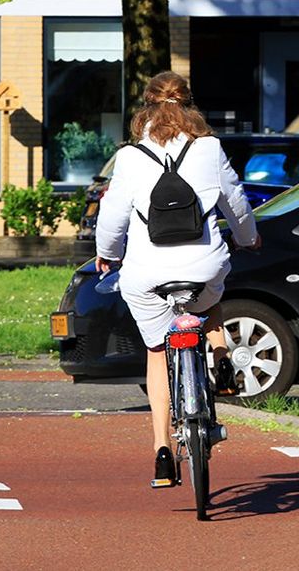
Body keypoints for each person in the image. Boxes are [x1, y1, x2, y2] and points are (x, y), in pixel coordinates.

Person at [94, 71, 260, 487]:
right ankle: (220, 357)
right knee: (211, 297)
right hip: (203, 266)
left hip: (147, 272)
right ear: (189, 104)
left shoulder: (130, 157)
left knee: (156, 351)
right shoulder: (209, 148)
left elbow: (112, 216)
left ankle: (162, 450)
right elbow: (236, 202)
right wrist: (248, 238)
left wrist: (107, 254)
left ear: (146, 107)